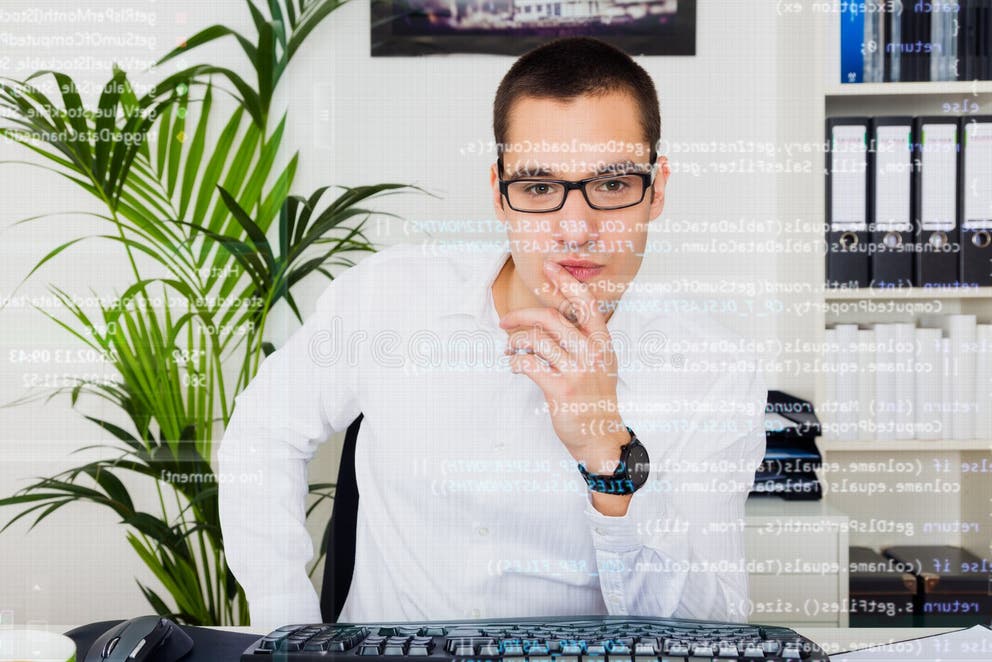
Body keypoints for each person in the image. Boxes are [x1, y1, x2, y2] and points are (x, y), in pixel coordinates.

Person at [218, 36, 766, 631]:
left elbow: (712, 625)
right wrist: (287, 626)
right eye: (538, 188)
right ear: (499, 195)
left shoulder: (715, 368)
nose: (575, 229)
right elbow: (262, 433)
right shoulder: (387, 298)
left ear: (656, 190)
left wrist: (608, 450)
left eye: (611, 185)